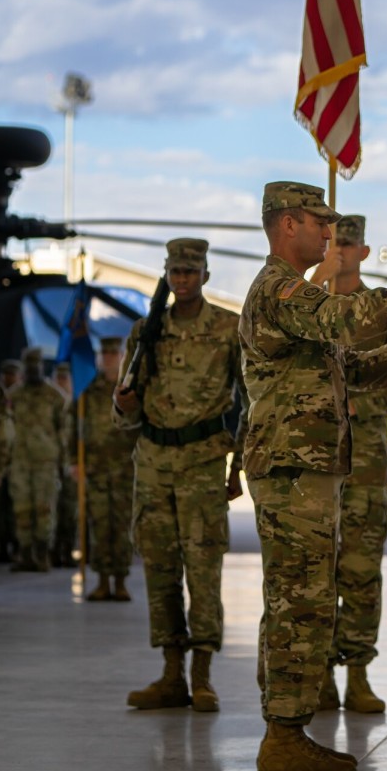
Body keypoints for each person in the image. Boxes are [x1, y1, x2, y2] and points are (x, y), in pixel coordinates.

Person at [240, 182, 387, 771]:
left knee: (301, 598)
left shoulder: (296, 298)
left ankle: (287, 728)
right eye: (320, 222)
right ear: (289, 224)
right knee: (300, 601)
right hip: (293, 468)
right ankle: (285, 734)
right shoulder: (280, 289)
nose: (330, 234)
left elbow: (354, 368)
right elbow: (347, 321)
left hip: (306, 468)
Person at [113, 239, 247, 713]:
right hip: (152, 464)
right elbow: (126, 409)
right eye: (176, 271)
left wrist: (239, 465)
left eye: (191, 271)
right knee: (160, 568)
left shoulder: (229, 329)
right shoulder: (146, 330)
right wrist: (123, 406)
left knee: (204, 569)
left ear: (206, 276)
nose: (183, 279)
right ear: (167, 275)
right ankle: (171, 674)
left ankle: (202, 676)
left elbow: (247, 403)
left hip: (203, 462)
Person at [311, 214, 387, 714]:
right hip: (315, 463)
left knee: (359, 573)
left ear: (362, 252)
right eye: (332, 241)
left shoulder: (384, 314)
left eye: (349, 243)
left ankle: (357, 672)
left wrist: (358, 404)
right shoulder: (309, 307)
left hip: (366, 464)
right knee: (316, 575)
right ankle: (319, 676)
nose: (340, 250)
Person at [78, 336, 139, 602]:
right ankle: (102, 581)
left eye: (114, 354)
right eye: (105, 354)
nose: (109, 358)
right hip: (97, 467)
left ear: (121, 356)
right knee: (100, 525)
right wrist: (75, 461)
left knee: (123, 526)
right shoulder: (88, 390)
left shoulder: (129, 388)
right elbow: (76, 429)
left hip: (126, 467)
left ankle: (121, 581)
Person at [8, 346, 70, 572]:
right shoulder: (14, 395)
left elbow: (64, 431)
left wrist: (64, 463)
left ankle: (42, 554)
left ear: (42, 366)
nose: (33, 369)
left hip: (46, 462)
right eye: (29, 365)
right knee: (22, 508)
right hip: (20, 461)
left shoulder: (54, 396)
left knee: (44, 510)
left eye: (36, 364)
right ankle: (25, 554)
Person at [51, 360, 78, 568]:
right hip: (51, 463)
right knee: (53, 510)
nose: (61, 381)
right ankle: (52, 551)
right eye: (58, 377)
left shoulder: (77, 405)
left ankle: (68, 550)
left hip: (69, 465)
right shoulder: (49, 402)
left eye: (64, 378)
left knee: (69, 510)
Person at [0, 360, 20, 563]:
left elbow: (6, 434)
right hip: (4, 462)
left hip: (15, 463)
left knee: (11, 507)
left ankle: (13, 545)